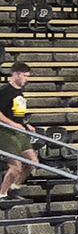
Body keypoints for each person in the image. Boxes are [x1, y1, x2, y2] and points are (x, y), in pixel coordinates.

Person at [0, 63, 38, 203]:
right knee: (15, 166)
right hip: (6, 132)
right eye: (24, 76)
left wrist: (26, 125)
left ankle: (14, 188)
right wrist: (13, 124)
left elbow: (15, 114)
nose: (26, 79)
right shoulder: (5, 92)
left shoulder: (19, 92)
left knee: (32, 162)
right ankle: (2, 194)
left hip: (19, 131)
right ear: (15, 74)